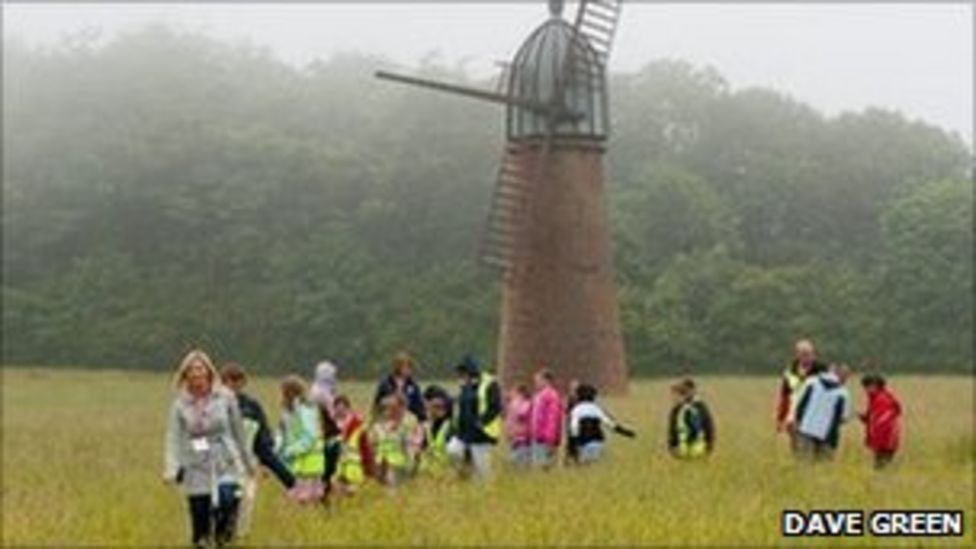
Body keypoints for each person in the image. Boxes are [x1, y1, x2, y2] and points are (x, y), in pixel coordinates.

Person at [163, 350, 256, 548]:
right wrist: (171, 468)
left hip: (226, 460)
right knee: (200, 524)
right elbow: (174, 438)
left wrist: (249, 464)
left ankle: (224, 541)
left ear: (208, 371)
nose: (196, 373)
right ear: (185, 374)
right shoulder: (180, 403)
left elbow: (238, 432)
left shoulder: (225, 396)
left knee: (228, 505)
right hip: (196, 464)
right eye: (191, 369)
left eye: (200, 368)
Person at [219, 363, 296, 538]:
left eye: (238, 382)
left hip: (247, 466)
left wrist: (289, 480)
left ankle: (237, 538)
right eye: (229, 382)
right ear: (222, 382)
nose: (234, 386)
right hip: (220, 466)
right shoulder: (213, 405)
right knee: (226, 502)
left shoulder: (252, 407)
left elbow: (264, 444)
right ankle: (221, 538)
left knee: (246, 506)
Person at [447, 355, 503, 479]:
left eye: (463, 372)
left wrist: (481, 422)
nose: (461, 376)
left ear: (470, 371)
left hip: (482, 434)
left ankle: (484, 493)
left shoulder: (490, 383)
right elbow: (461, 410)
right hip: (464, 433)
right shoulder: (465, 387)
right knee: (452, 450)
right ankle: (464, 472)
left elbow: (496, 407)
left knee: (482, 472)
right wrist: (455, 429)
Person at [275, 376, 325, 503]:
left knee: (304, 500)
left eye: (284, 392)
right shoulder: (290, 412)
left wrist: (289, 451)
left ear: (291, 393)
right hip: (300, 463)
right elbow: (285, 435)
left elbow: (309, 437)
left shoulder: (305, 410)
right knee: (299, 500)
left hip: (310, 463)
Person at [793, 363, 852, 461]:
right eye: (846, 376)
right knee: (824, 470)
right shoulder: (843, 393)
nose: (846, 380)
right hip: (828, 436)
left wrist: (798, 422)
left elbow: (800, 405)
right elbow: (843, 418)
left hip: (806, 429)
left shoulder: (811, 382)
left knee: (804, 466)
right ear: (839, 375)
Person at [777, 339, 828, 450]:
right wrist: (781, 418)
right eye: (803, 354)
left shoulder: (822, 371)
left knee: (817, 452)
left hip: (817, 418)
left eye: (809, 354)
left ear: (814, 354)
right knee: (799, 451)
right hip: (795, 417)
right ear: (797, 355)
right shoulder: (790, 372)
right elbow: (784, 396)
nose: (807, 358)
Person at [567, 383, 636, 464]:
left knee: (585, 468)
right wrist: (626, 433)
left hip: (583, 443)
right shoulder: (596, 409)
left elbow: (574, 429)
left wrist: (572, 447)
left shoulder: (576, 410)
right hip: (598, 442)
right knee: (596, 466)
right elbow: (610, 425)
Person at [370, 393, 422, 487]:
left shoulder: (410, 422)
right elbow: (373, 444)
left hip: (399, 466)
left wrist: (412, 466)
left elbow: (414, 448)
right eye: (388, 408)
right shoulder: (379, 425)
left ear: (402, 407)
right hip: (380, 464)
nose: (390, 411)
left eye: (393, 408)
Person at [331, 394, 375, 495]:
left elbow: (365, 447)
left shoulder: (357, 425)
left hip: (354, 467)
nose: (340, 412)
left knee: (351, 493)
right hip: (338, 467)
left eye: (342, 409)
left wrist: (369, 467)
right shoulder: (332, 425)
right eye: (337, 409)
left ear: (348, 408)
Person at [858, 373, 902, 469]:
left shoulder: (881, 400)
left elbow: (882, 422)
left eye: (868, 386)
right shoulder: (877, 398)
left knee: (881, 467)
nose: (866, 390)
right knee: (882, 467)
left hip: (885, 441)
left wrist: (878, 443)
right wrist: (865, 418)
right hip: (886, 441)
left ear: (875, 385)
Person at [667, 378, 715, 459]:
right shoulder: (676, 410)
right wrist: (672, 446)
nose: (673, 398)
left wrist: (709, 446)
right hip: (684, 451)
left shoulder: (698, 408)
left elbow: (708, 427)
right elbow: (672, 430)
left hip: (694, 451)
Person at [373, 351, 426, 422]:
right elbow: (376, 405)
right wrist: (387, 402)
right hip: (387, 421)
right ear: (397, 367)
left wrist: (406, 402)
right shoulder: (385, 384)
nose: (408, 370)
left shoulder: (413, 385)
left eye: (410, 366)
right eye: (406, 366)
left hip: (408, 421)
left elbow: (419, 408)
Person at [529, 369, 562, 468]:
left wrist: (550, 440)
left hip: (545, 439)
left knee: (544, 468)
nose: (535, 383)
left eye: (538, 380)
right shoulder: (538, 395)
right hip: (537, 438)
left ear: (546, 380)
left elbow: (552, 419)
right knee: (538, 468)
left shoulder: (551, 395)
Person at [419, 384, 454, 477]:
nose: (425, 409)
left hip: (447, 475)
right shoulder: (427, 426)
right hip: (430, 474)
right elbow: (422, 451)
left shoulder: (449, 427)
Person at [504, 384, 532, 467]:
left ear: (520, 393)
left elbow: (522, 415)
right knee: (515, 462)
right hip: (514, 437)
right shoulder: (514, 403)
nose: (510, 393)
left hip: (521, 438)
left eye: (513, 391)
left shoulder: (524, 403)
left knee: (519, 462)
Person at [563, 378, 581, 465]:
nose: (574, 388)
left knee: (577, 442)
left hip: (578, 424)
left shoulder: (581, 398)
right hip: (571, 423)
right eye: (573, 386)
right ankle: (568, 461)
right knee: (570, 442)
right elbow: (566, 410)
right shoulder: (569, 397)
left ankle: (577, 460)